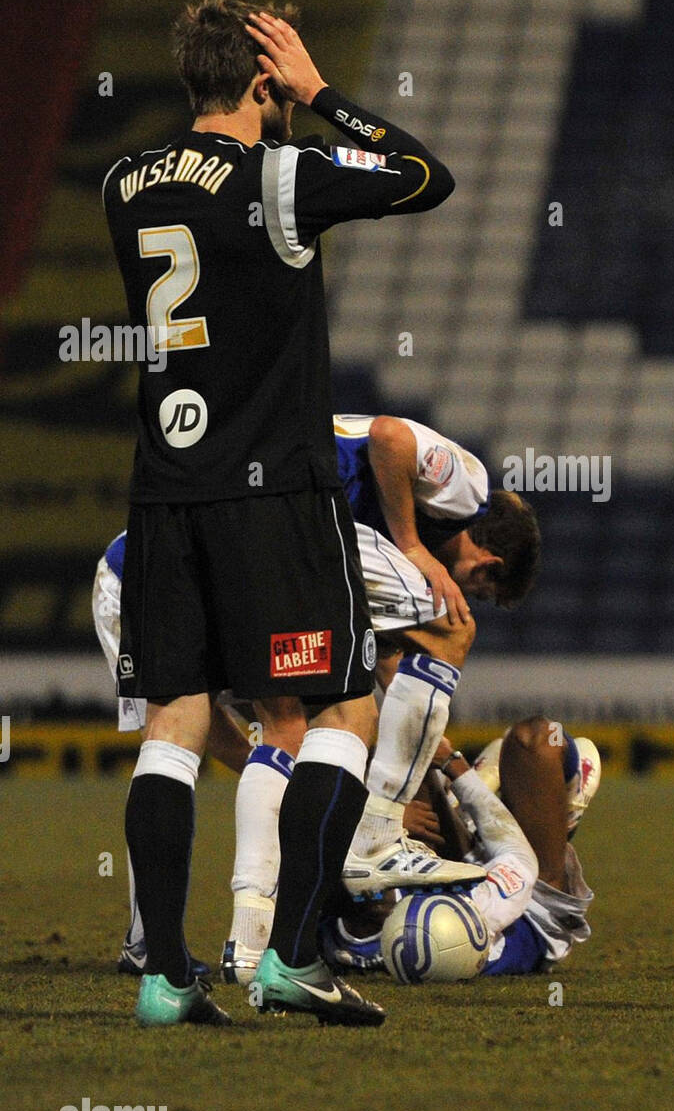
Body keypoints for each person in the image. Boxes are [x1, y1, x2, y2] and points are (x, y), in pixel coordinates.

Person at [101, 0, 460, 1027]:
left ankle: (168, 978)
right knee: (343, 705)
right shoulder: (282, 172)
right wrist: (325, 96)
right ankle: (292, 956)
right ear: (265, 77)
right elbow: (428, 178)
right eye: (281, 79)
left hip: (168, 492)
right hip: (276, 498)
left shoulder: (125, 181)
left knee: (172, 726)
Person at [91, 413, 540, 982]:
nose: (464, 590)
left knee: (215, 734)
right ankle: (373, 836)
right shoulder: (467, 488)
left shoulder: (377, 523)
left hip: (210, 548)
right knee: (453, 629)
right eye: (479, 587)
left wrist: (432, 759)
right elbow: (390, 437)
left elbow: (390, 667)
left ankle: (196, 943)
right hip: (187, 559)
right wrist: (412, 548)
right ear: (489, 563)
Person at [323, 717, 597, 979]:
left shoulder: (326, 933)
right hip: (529, 904)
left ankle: (455, 806)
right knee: (539, 737)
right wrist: (456, 767)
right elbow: (519, 858)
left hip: (444, 863)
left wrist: (385, 820)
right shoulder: (456, 919)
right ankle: (561, 815)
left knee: (407, 735)